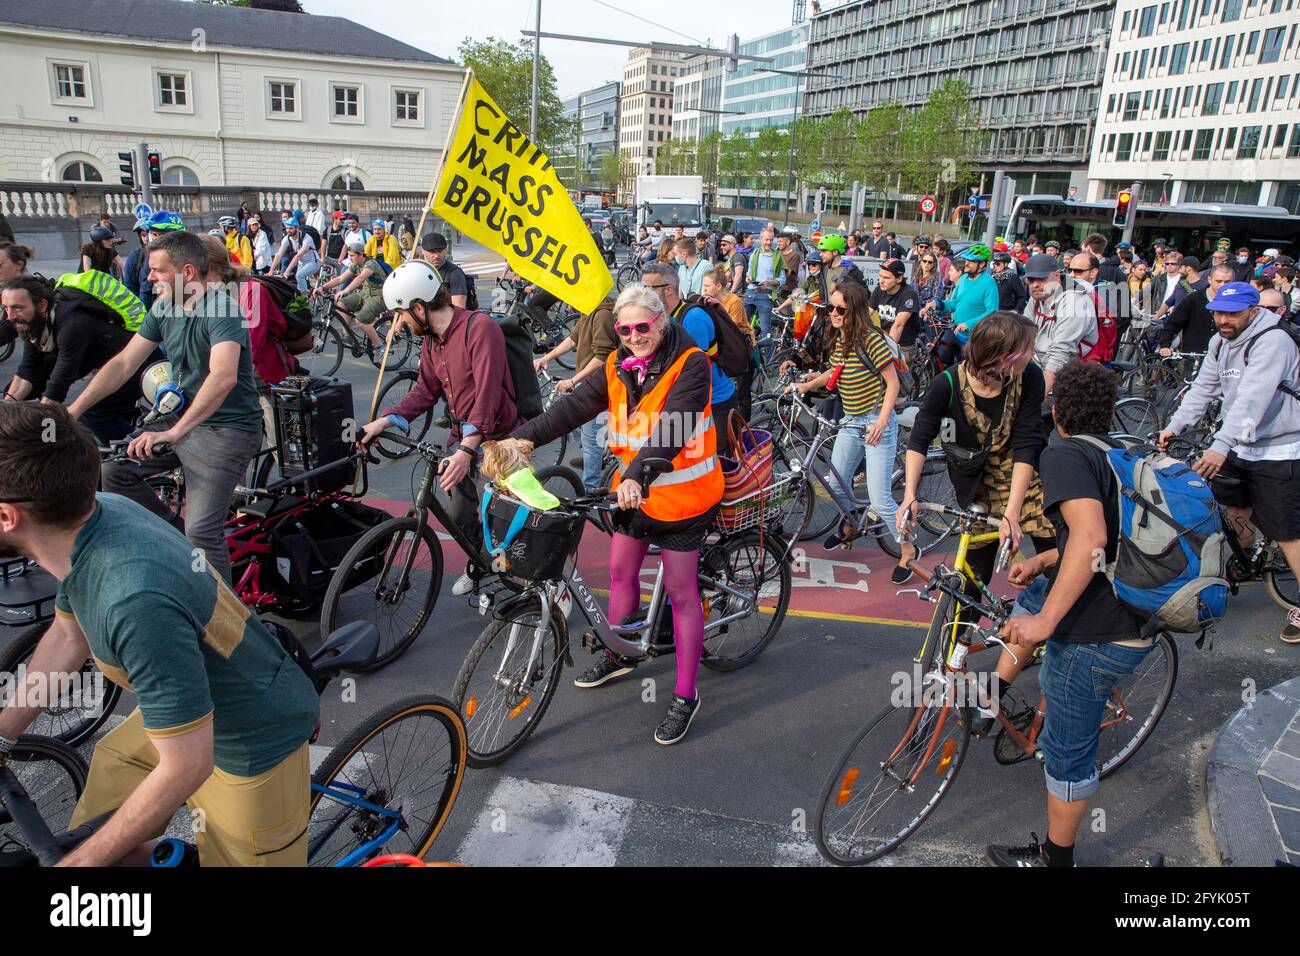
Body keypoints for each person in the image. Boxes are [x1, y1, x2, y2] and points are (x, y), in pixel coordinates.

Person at [0, 402, 318, 866]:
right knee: (100, 822)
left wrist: (82, 865)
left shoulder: (133, 600)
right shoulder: (100, 512)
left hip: (248, 742)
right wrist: (4, 735)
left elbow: (189, 764)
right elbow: (69, 638)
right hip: (192, 716)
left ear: (9, 517)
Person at [509, 284, 723, 744]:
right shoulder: (615, 364)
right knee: (621, 570)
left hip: (684, 499)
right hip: (634, 497)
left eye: (642, 327)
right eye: (624, 329)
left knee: (683, 593)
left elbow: (676, 427)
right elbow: (573, 407)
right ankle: (621, 651)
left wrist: (637, 474)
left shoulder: (692, 364)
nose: (633, 336)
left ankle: (686, 694)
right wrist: (523, 439)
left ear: (661, 322)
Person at [986, 360, 1150, 867]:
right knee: (1031, 600)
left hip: (1098, 637)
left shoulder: (1065, 454)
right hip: (1140, 613)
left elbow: (1092, 537)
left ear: (1056, 410)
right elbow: (1111, 538)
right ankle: (991, 694)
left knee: (1068, 754)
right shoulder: (1119, 450)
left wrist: (1046, 624)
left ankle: (1056, 860)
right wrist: (1042, 558)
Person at [75, 230, 264, 584]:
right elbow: (123, 364)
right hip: (180, 420)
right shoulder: (163, 307)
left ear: (187, 273)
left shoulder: (222, 309)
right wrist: (72, 410)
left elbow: (222, 376)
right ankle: (174, 538)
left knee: (203, 533)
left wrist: (178, 431)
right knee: (114, 473)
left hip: (230, 428)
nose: (148, 277)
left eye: (157, 270)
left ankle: (227, 623)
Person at [900, 311, 1053, 733]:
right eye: (1027, 350)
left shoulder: (1030, 378)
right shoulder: (947, 383)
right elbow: (920, 438)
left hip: (1022, 479)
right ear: (1003, 356)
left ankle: (1044, 625)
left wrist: (1013, 513)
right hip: (973, 481)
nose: (1033, 356)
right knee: (969, 581)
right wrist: (910, 496)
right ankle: (955, 661)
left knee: (1057, 557)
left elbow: (1027, 444)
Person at [357, 261, 519, 596]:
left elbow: (487, 396)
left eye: (401, 315)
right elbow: (424, 392)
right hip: (462, 436)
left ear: (419, 307)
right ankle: (481, 563)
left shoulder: (480, 328)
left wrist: (466, 450)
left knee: (515, 518)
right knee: (459, 512)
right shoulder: (431, 341)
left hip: (501, 437)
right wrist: (386, 420)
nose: (400, 324)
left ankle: (548, 582)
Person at [1157, 282, 1300, 644]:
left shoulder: (1273, 341)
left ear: (1253, 311)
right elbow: (1205, 388)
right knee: (1231, 503)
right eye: (1218, 312)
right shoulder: (1220, 341)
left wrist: (1220, 445)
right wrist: (1174, 426)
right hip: (1243, 444)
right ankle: (1242, 565)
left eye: (1231, 313)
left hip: (1279, 449)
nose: (1222, 319)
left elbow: (1253, 399)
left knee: (1286, 532)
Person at [788, 280, 914, 579]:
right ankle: (852, 522)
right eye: (830, 307)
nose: (833, 313)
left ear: (854, 310)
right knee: (834, 481)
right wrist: (806, 385)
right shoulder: (841, 337)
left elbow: (893, 383)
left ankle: (908, 550)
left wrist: (882, 423)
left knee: (881, 497)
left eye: (840, 309)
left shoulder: (871, 340)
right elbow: (835, 371)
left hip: (874, 422)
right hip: (851, 420)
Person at [0, 273, 154, 445]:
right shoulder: (33, 322)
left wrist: (42, 436)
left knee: (95, 413)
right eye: (5, 308)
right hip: (102, 360)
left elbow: (57, 387)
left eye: (17, 308)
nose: (10, 316)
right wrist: (5, 416)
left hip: (137, 362)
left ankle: (141, 453)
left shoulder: (72, 326)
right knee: (33, 384)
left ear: (42, 305)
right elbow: (27, 372)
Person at [641, 264, 738, 456]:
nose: (642, 294)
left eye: (647, 289)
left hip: (716, 402)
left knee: (717, 464)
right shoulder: (663, 317)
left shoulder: (693, 318)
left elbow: (693, 372)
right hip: (692, 402)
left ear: (668, 289)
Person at [533, 295, 617, 492]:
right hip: (585, 382)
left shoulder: (603, 314)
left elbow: (601, 357)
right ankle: (594, 458)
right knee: (577, 426)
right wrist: (547, 357)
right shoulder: (587, 309)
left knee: (590, 437)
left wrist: (573, 380)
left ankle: (592, 489)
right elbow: (573, 338)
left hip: (597, 384)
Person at [1022, 253, 1097, 398]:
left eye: (1042, 278)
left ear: (1057, 276)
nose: (1035, 284)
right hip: (1042, 366)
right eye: (1030, 280)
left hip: (1070, 374)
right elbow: (1024, 333)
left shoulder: (1074, 302)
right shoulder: (1037, 296)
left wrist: (1041, 393)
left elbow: (1061, 353)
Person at [923, 244, 1000, 366]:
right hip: (955, 331)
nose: (967, 263)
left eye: (971, 261)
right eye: (966, 260)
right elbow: (954, 303)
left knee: (965, 370)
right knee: (939, 360)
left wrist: (969, 324)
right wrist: (936, 304)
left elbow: (992, 312)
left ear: (982, 264)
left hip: (973, 338)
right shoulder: (963, 278)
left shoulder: (989, 283)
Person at [701, 265, 757, 417]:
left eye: (707, 286)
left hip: (742, 349)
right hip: (726, 348)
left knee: (742, 391)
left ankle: (743, 426)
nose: (703, 289)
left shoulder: (734, 302)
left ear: (718, 286)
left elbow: (731, 329)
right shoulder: (709, 301)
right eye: (703, 285)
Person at [316, 239, 385, 353]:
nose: (350, 258)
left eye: (352, 256)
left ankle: (380, 347)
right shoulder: (355, 265)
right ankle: (347, 336)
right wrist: (322, 287)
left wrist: (346, 290)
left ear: (361, 255)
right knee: (341, 303)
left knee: (360, 321)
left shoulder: (370, 264)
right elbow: (340, 278)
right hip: (365, 294)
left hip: (379, 296)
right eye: (349, 256)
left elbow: (360, 278)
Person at [1155, 264, 1234, 356]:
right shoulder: (1193, 299)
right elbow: (1173, 323)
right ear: (1209, 279)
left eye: (1227, 282)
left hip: (1225, 354)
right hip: (1195, 354)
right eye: (1218, 281)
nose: (1222, 285)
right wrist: (1165, 345)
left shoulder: (1236, 302)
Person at [871, 258, 922, 364]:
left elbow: (898, 325)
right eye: (880, 276)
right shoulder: (878, 290)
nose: (881, 280)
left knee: (896, 377)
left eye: (886, 277)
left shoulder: (908, 294)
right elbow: (866, 314)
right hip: (884, 341)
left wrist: (888, 351)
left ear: (899, 279)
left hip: (903, 346)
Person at [744, 229, 783, 337]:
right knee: (741, 327)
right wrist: (748, 278)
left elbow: (782, 279)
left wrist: (770, 282)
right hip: (750, 292)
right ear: (761, 239)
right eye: (766, 240)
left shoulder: (777, 257)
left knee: (766, 332)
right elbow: (749, 273)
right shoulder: (754, 255)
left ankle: (768, 354)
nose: (769, 243)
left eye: (771, 240)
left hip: (765, 295)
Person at [418, 232, 469, 308]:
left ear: (446, 250)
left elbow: (459, 309)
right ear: (423, 251)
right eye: (432, 252)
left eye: (440, 251)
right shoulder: (418, 271)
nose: (436, 256)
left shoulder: (454, 273)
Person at [269, 218, 321, 292]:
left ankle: (304, 296)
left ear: (297, 228)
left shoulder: (306, 238)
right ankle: (302, 295)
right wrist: (271, 270)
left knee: (299, 275)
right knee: (298, 283)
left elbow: (298, 256)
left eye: (291, 228)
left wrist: (287, 271)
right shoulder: (287, 239)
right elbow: (279, 255)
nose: (288, 230)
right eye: (287, 228)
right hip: (301, 263)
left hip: (313, 262)